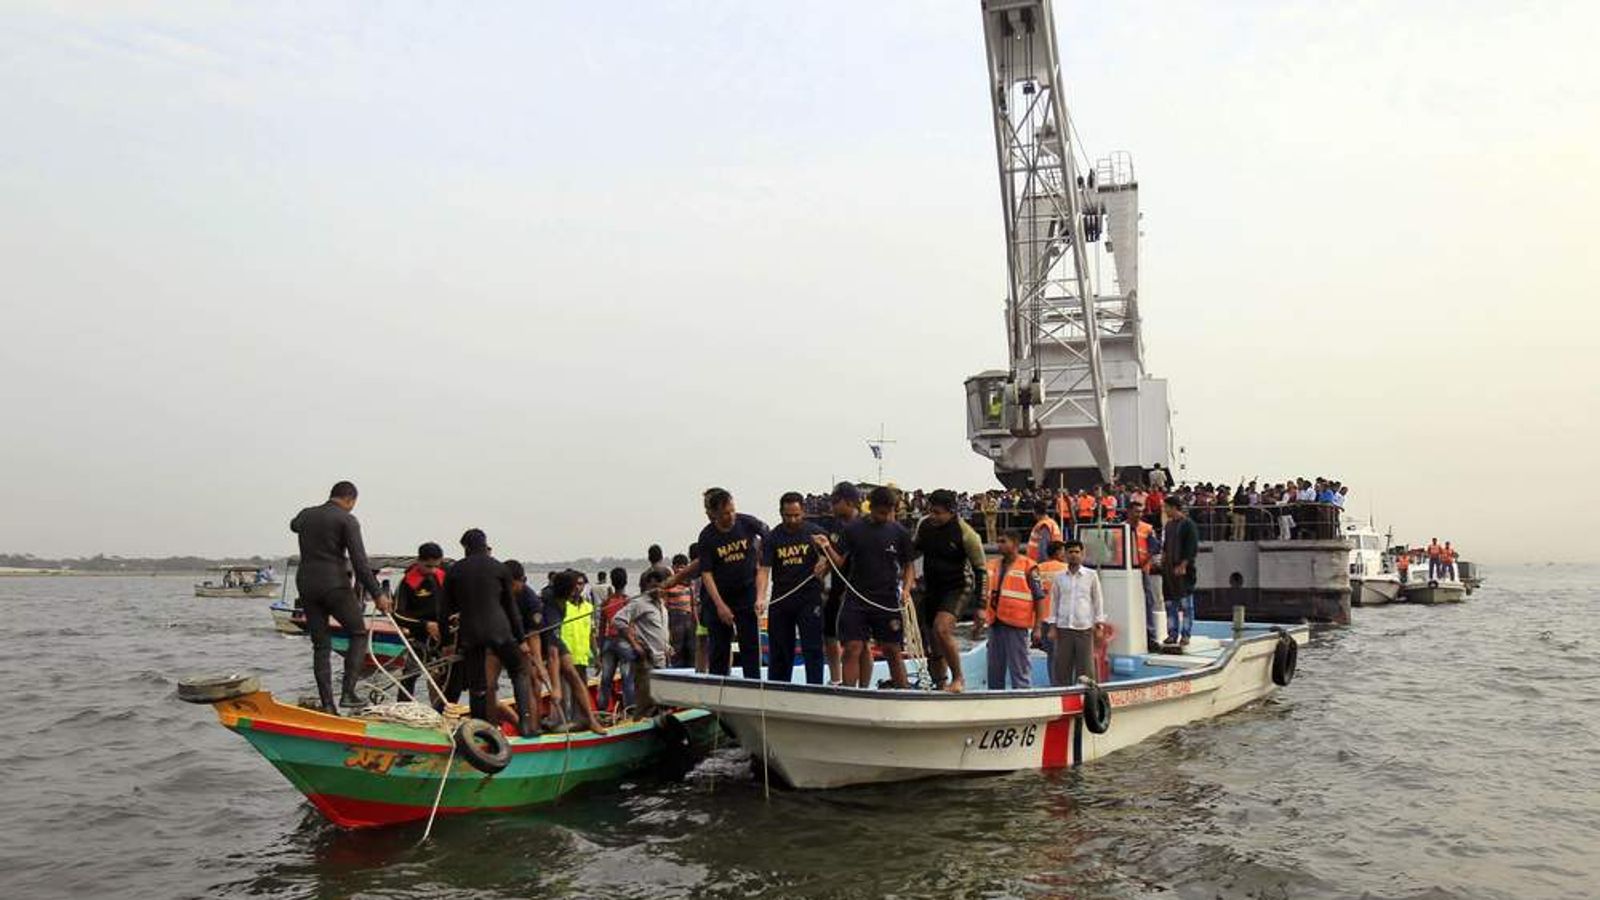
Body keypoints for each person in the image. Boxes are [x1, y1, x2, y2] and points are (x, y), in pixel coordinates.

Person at [289, 481, 390, 715]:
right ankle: (348, 693)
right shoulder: (347, 520)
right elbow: (360, 563)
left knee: (321, 645)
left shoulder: (307, 515)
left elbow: (294, 525)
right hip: (334, 584)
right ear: (350, 500)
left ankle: (327, 705)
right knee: (357, 633)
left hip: (306, 583)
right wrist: (377, 594)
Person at [439, 529, 536, 737]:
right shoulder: (499, 568)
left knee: (478, 686)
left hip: (470, 633)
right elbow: (511, 609)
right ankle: (526, 725)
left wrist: (446, 642)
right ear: (485, 545)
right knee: (518, 671)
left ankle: (479, 731)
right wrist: (521, 639)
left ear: (465, 547)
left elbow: (444, 611)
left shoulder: (455, 570)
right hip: (499, 630)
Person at [815, 486, 914, 689]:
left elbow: (909, 565)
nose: (884, 517)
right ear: (871, 508)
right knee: (853, 647)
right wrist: (826, 547)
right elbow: (840, 562)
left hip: (886, 599)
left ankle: (903, 692)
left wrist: (906, 589)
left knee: (892, 649)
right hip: (856, 598)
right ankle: (850, 693)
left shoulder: (899, 532)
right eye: (880, 513)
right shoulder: (853, 529)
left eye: (888, 513)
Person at [913, 489, 986, 692]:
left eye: (938, 513)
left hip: (958, 587)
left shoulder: (966, 534)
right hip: (932, 587)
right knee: (933, 642)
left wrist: (981, 606)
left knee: (942, 629)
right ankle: (939, 682)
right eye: (931, 511)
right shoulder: (925, 525)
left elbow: (981, 571)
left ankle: (959, 678)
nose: (933, 516)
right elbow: (913, 551)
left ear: (951, 511)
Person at [696, 488, 770, 678]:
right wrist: (720, 606)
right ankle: (718, 690)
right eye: (724, 514)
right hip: (719, 596)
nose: (730, 516)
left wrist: (763, 550)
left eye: (732, 510)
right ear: (713, 515)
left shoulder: (746, 523)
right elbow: (706, 573)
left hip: (746, 592)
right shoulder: (707, 537)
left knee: (750, 646)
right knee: (719, 649)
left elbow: (769, 534)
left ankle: (753, 686)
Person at [756, 492, 828, 684]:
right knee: (780, 650)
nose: (793, 520)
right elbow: (764, 570)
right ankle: (778, 690)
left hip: (809, 597)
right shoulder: (773, 537)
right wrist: (760, 597)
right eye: (788, 516)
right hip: (782, 598)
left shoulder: (815, 532)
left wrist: (824, 559)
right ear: (781, 513)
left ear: (803, 512)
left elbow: (832, 556)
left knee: (812, 648)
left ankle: (815, 689)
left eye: (797, 515)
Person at [539, 570, 606, 733]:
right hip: (549, 645)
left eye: (581, 584)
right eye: (574, 585)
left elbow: (591, 633)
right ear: (567, 589)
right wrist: (554, 687)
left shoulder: (587, 606)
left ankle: (588, 720)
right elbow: (552, 650)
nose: (578, 589)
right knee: (559, 691)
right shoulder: (553, 603)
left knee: (577, 682)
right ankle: (555, 723)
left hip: (576, 653)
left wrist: (596, 656)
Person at [392, 542, 454, 704]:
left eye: (436, 566)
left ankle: (440, 709)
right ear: (419, 561)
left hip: (443, 636)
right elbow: (397, 614)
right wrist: (425, 625)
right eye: (428, 566)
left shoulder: (443, 576)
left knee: (443, 676)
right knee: (410, 675)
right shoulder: (407, 583)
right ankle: (403, 707)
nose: (432, 570)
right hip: (419, 636)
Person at [983, 531, 1045, 690]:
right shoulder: (993, 565)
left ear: (1015, 545)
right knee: (994, 668)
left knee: (1019, 668)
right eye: (998, 541)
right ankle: (995, 701)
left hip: (1016, 625)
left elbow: (1039, 597)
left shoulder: (1029, 566)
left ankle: (1024, 700)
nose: (999, 545)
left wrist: (1038, 627)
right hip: (995, 623)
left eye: (1003, 541)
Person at [818, 482, 862, 685]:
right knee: (829, 634)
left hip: (857, 589)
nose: (832, 506)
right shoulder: (834, 526)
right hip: (836, 587)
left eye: (836, 502)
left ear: (850, 502)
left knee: (858, 642)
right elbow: (832, 556)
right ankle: (836, 678)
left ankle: (861, 683)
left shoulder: (862, 527)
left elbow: (843, 559)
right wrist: (823, 568)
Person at [1048, 540, 1106, 686]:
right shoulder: (1058, 577)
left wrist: (1099, 626)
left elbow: (1097, 601)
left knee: (1086, 670)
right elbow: (1054, 602)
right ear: (1065, 555)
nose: (1074, 555)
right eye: (1070, 552)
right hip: (1063, 628)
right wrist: (1052, 626)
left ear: (1082, 554)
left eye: (1077, 552)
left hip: (1084, 629)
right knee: (1061, 669)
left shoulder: (1091, 575)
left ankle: (1087, 701)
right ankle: (1061, 698)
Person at [617, 569, 672, 715]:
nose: (658, 589)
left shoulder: (662, 604)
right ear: (648, 585)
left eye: (661, 585)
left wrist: (667, 645)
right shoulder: (639, 603)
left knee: (660, 699)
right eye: (655, 585)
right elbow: (618, 620)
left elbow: (660, 629)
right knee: (645, 700)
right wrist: (634, 643)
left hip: (662, 659)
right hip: (648, 659)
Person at [1161, 496, 1200, 647]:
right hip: (1169, 572)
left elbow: (1192, 547)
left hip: (1183, 573)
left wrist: (1184, 564)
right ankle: (1172, 633)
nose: (1165, 510)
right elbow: (1165, 546)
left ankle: (1185, 635)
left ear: (1173, 507)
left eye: (1166, 507)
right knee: (1170, 604)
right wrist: (1163, 559)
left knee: (1186, 605)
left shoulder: (1188, 525)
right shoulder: (1169, 525)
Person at [596, 567, 635, 714]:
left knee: (606, 678)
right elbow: (631, 625)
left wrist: (600, 647)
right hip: (624, 642)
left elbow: (601, 626)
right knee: (627, 679)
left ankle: (602, 709)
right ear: (625, 581)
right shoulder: (628, 601)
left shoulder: (607, 602)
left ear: (612, 582)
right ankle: (630, 710)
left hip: (608, 642)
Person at [1125, 500, 1162, 650]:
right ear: (1129, 512)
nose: (1139, 514)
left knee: (1148, 601)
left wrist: (1145, 560)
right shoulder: (1121, 527)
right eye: (1136, 511)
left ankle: (1150, 636)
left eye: (1141, 512)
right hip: (1125, 571)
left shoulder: (1147, 528)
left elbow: (1155, 547)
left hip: (1143, 571)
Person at [662, 553, 696, 666]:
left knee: (691, 649)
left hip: (689, 620)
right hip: (675, 619)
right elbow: (665, 606)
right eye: (677, 567)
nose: (680, 569)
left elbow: (693, 605)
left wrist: (696, 621)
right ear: (673, 567)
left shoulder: (690, 584)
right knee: (677, 650)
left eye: (683, 567)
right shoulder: (669, 585)